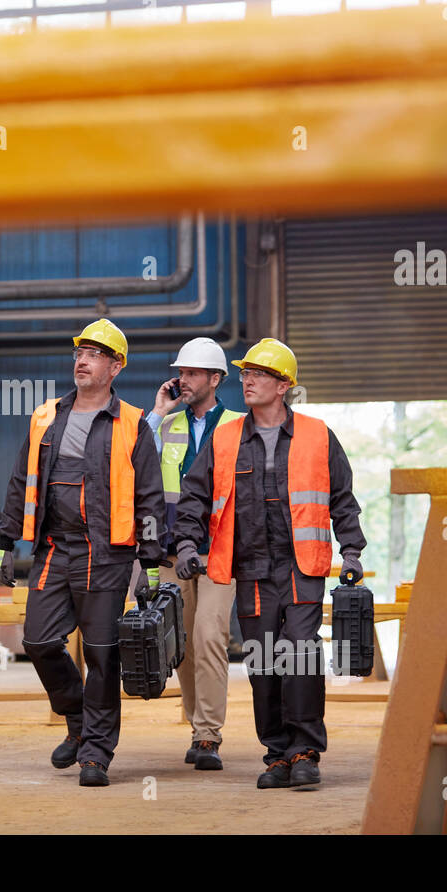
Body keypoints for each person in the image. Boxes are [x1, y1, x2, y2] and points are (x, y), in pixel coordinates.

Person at [173, 338, 366, 789]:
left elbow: (342, 499)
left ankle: (305, 750)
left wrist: (351, 551)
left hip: (301, 566)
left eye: (259, 374)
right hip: (251, 567)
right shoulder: (225, 437)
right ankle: (277, 753)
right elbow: (194, 496)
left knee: (298, 652)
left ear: (283, 386)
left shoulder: (318, 434)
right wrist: (185, 544)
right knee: (262, 662)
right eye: (246, 373)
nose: (248, 380)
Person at [0, 318, 166, 787]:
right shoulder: (47, 416)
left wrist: (149, 562)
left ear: (116, 366)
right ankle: (75, 717)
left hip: (107, 554)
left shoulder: (132, 424)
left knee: (103, 654)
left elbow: (150, 495)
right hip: (53, 547)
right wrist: (5, 541)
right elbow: (20, 481)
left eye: (93, 354)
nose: (82, 361)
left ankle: (95, 754)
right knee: (40, 641)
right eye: (79, 353)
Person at [146, 338, 243, 772]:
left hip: (219, 550)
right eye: (180, 373)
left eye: (191, 374)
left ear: (215, 379)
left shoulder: (239, 425)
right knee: (178, 645)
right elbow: (134, 462)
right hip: (171, 552)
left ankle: (207, 735)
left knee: (209, 637)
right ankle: (196, 722)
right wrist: (158, 412)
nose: (182, 380)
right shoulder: (167, 425)